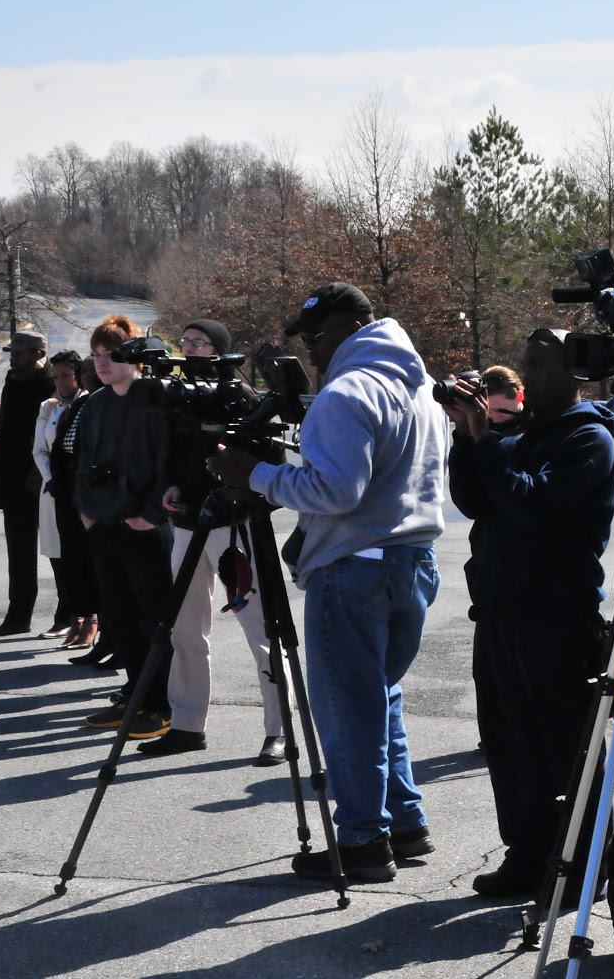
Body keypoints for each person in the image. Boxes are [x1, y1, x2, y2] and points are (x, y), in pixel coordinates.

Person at [208, 282, 447, 885]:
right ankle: (403, 822)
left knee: (347, 709)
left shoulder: (348, 391)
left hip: (356, 567)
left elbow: (336, 491)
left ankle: (364, 840)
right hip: (412, 562)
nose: (311, 351)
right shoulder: (418, 387)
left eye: (316, 337)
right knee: (379, 696)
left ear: (349, 329)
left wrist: (255, 474)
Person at [442, 328, 614, 898]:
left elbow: (532, 507)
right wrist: (467, 436)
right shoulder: (521, 432)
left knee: (564, 746)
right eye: (526, 364)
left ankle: (582, 864)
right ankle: (527, 853)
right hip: (500, 608)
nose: (528, 376)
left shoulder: (588, 438)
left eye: (540, 366)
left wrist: (488, 443)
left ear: (573, 374)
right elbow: (474, 500)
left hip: (555, 614)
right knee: (508, 741)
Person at [137, 319, 286, 765]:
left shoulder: (244, 398)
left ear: (220, 350)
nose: (189, 349)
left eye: (199, 343)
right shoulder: (178, 397)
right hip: (188, 523)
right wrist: (171, 487)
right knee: (184, 629)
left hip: (235, 526)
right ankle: (187, 724)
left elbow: (273, 464)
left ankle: (279, 730)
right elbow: (171, 456)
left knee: (261, 630)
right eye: (185, 342)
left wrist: (244, 495)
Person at [73, 315, 174, 740]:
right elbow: (81, 460)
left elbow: (171, 463)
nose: (101, 363)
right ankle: (135, 695)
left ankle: (161, 705)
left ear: (134, 356)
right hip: (104, 525)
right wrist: (86, 509)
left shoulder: (156, 400)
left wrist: (150, 514)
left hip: (145, 528)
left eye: (111, 355)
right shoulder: (95, 403)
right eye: (96, 355)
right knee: (120, 617)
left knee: (154, 619)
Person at [0, 329, 55, 636]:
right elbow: (7, 429)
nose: (12, 358)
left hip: (44, 480)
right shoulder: (12, 381)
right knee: (19, 551)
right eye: (11, 352)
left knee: (59, 550)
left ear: (38, 354)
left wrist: (42, 473)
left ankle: (71, 616)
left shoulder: (51, 384)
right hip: (12, 479)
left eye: (18, 353)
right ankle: (18, 617)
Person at [32, 350, 96, 647]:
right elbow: (40, 450)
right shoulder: (49, 407)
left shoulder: (90, 402)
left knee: (86, 557)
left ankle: (91, 619)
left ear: (79, 375)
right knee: (61, 556)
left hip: (81, 490)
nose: (61, 382)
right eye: (55, 377)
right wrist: (52, 479)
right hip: (54, 491)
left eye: (66, 376)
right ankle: (72, 618)